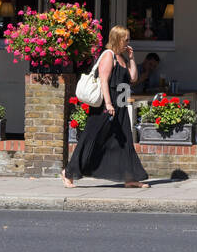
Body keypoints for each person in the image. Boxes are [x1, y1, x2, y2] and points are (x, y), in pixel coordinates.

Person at [62, 26, 149, 188]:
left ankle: (130, 178)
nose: (128, 42)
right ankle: (69, 172)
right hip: (106, 105)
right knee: (91, 137)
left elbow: (133, 78)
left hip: (121, 105)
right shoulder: (109, 56)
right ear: (117, 39)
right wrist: (108, 104)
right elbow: (103, 81)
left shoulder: (122, 57)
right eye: (126, 39)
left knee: (125, 141)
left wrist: (131, 58)